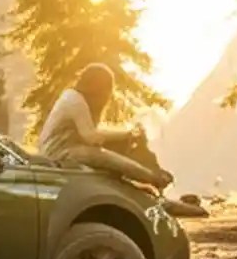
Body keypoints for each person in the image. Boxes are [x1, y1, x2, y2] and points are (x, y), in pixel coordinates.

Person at [37, 63, 174, 190]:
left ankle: (141, 179)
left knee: (113, 154)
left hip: (62, 149)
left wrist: (126, 133)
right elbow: (91, 137)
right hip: (59, 153)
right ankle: (153, 178)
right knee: (111, 159)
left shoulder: (74, 97)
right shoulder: (75, 102)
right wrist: (126, 134)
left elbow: (93, 131)